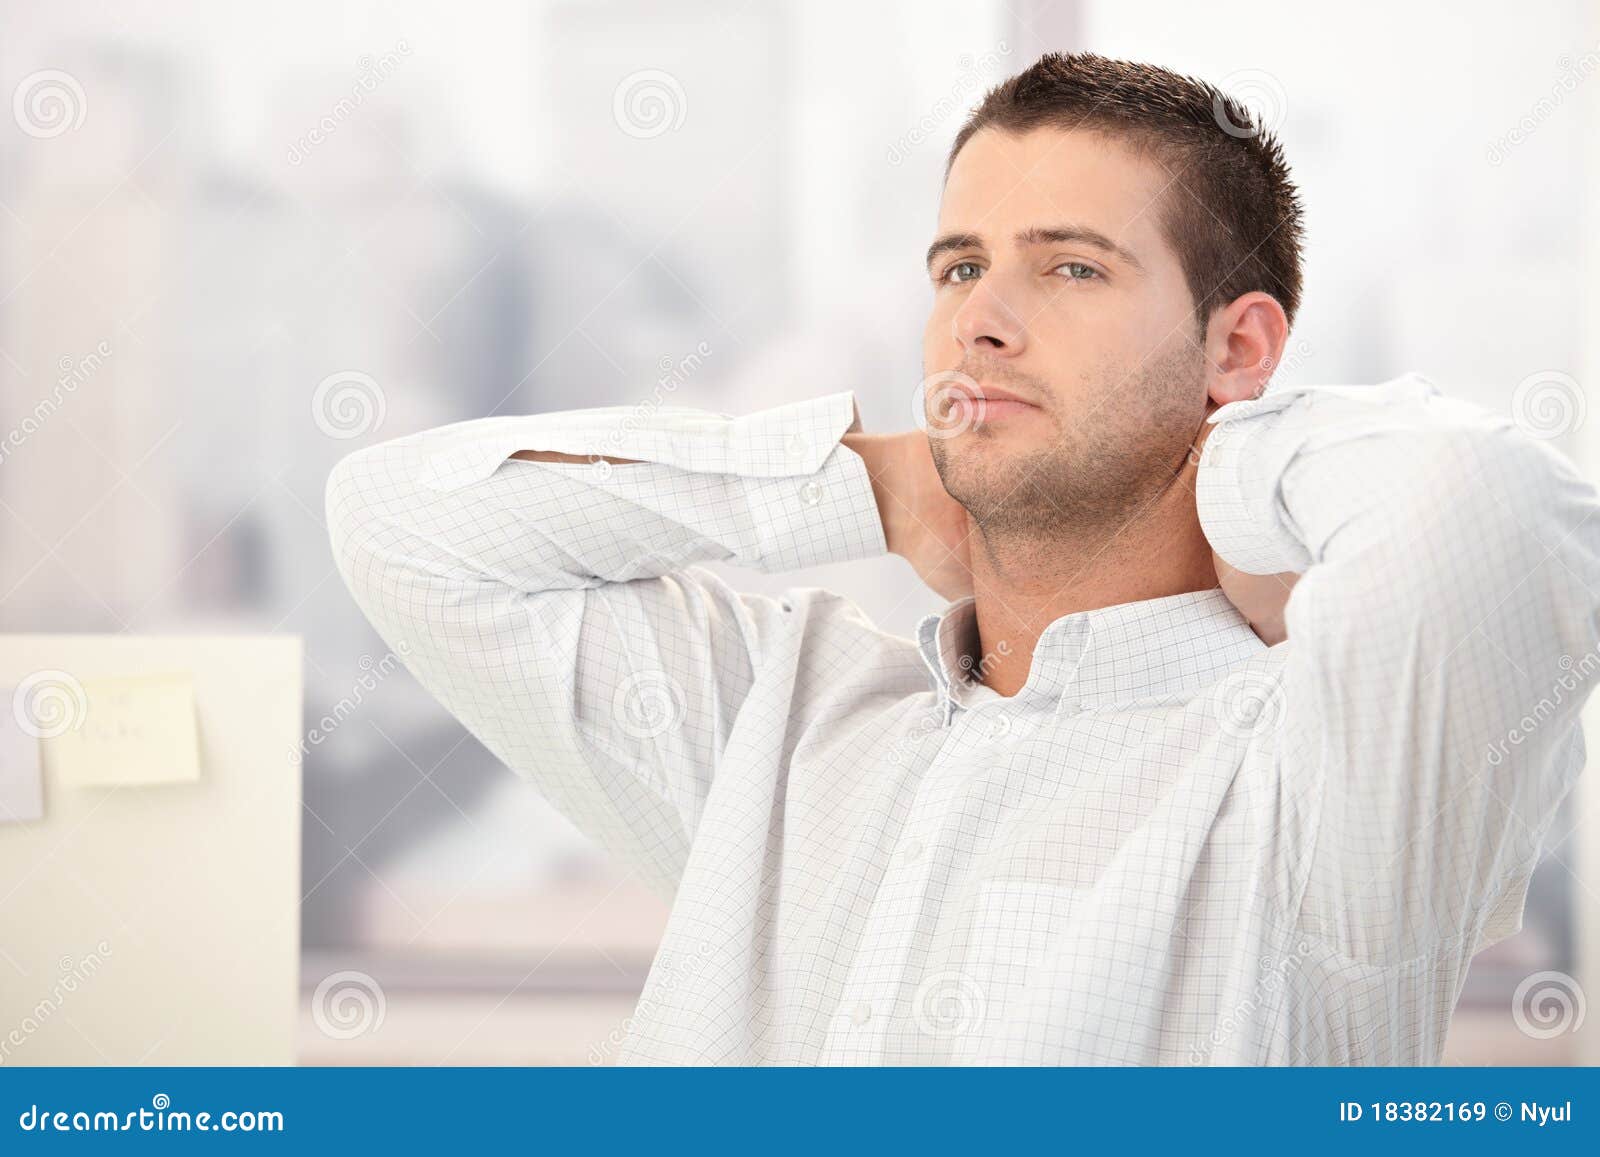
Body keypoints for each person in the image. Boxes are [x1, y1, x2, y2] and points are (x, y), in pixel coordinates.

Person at [324, 52, 1600, 1064]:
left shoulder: (1325, 779)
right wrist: (874, 483)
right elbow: (401, 526)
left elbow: (1481, 505)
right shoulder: (777, 726)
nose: (980, 320)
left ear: (1237, 348)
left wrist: (1240, 471)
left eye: (1071, 267)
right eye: (960, 266)